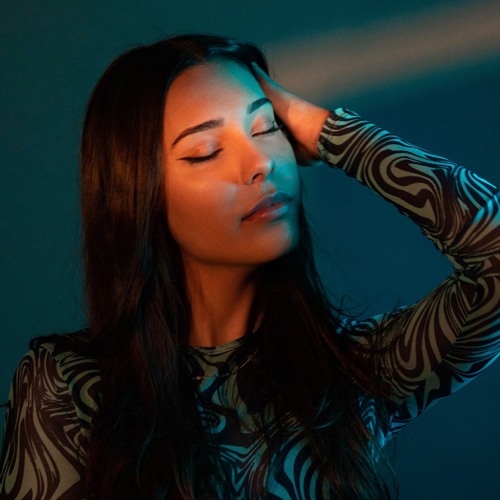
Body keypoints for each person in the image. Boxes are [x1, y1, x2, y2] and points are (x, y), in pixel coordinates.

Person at [0, 34, 499, 499]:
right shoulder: (70, 387)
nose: (260, 162)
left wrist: (330, 132)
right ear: (138, 197)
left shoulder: (359, 369)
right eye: (205, 152)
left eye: (267, 128)